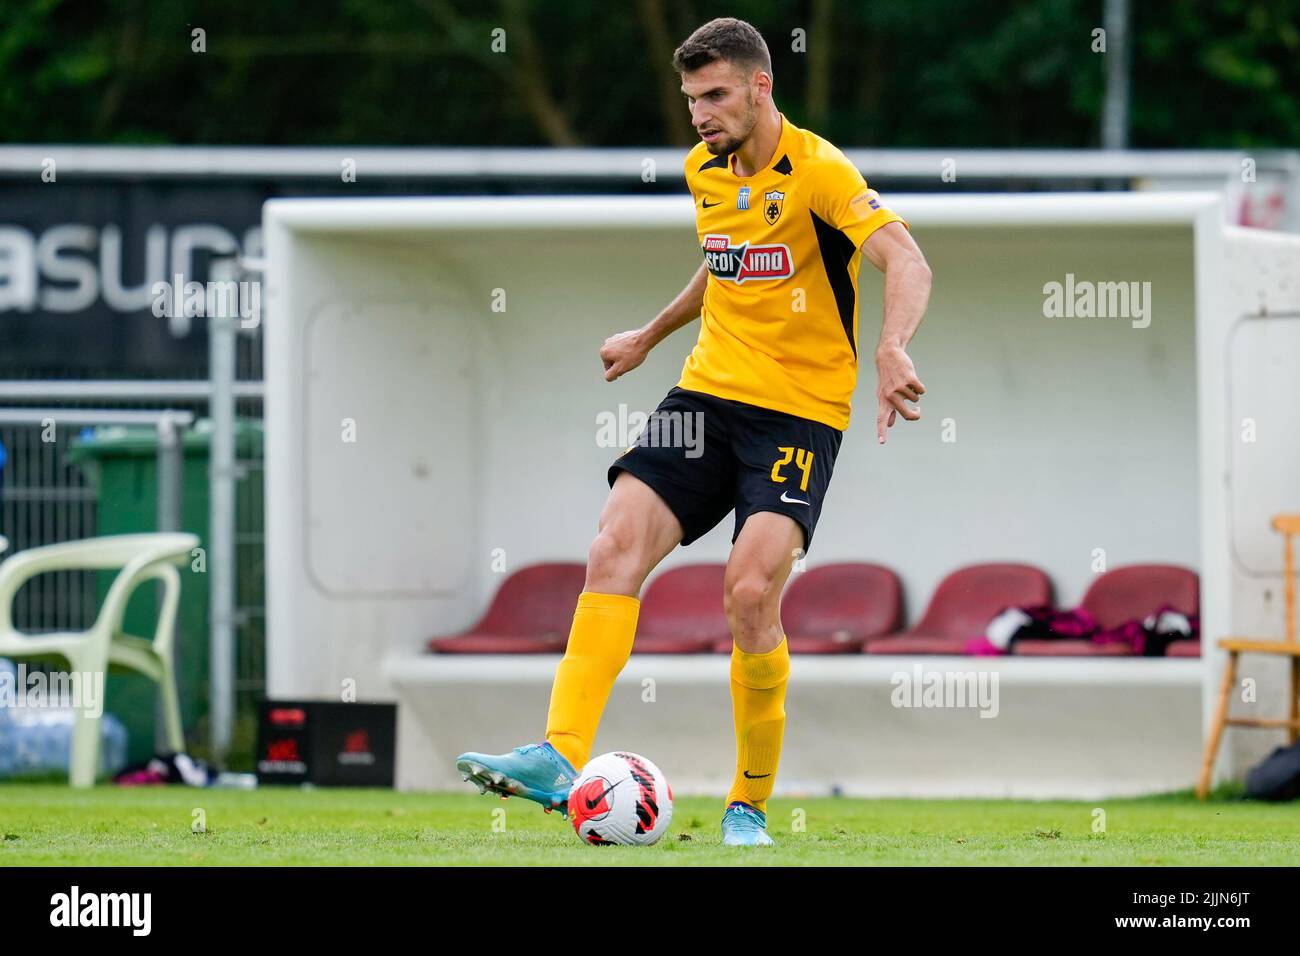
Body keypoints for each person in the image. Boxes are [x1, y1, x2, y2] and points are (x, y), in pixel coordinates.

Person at [458, 16, 932, 846]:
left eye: (715, 96)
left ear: (760, 86)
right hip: (707, 396)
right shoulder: (703, 170)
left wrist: (892, 347)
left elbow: (907, 259)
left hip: (799, 413)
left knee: (749, 595)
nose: (701, 114)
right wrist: (650, 335)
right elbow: (722, 265)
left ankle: (748, 802)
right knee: (613, 545)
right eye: (691, 100)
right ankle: (559, 754)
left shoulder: (819, 172)